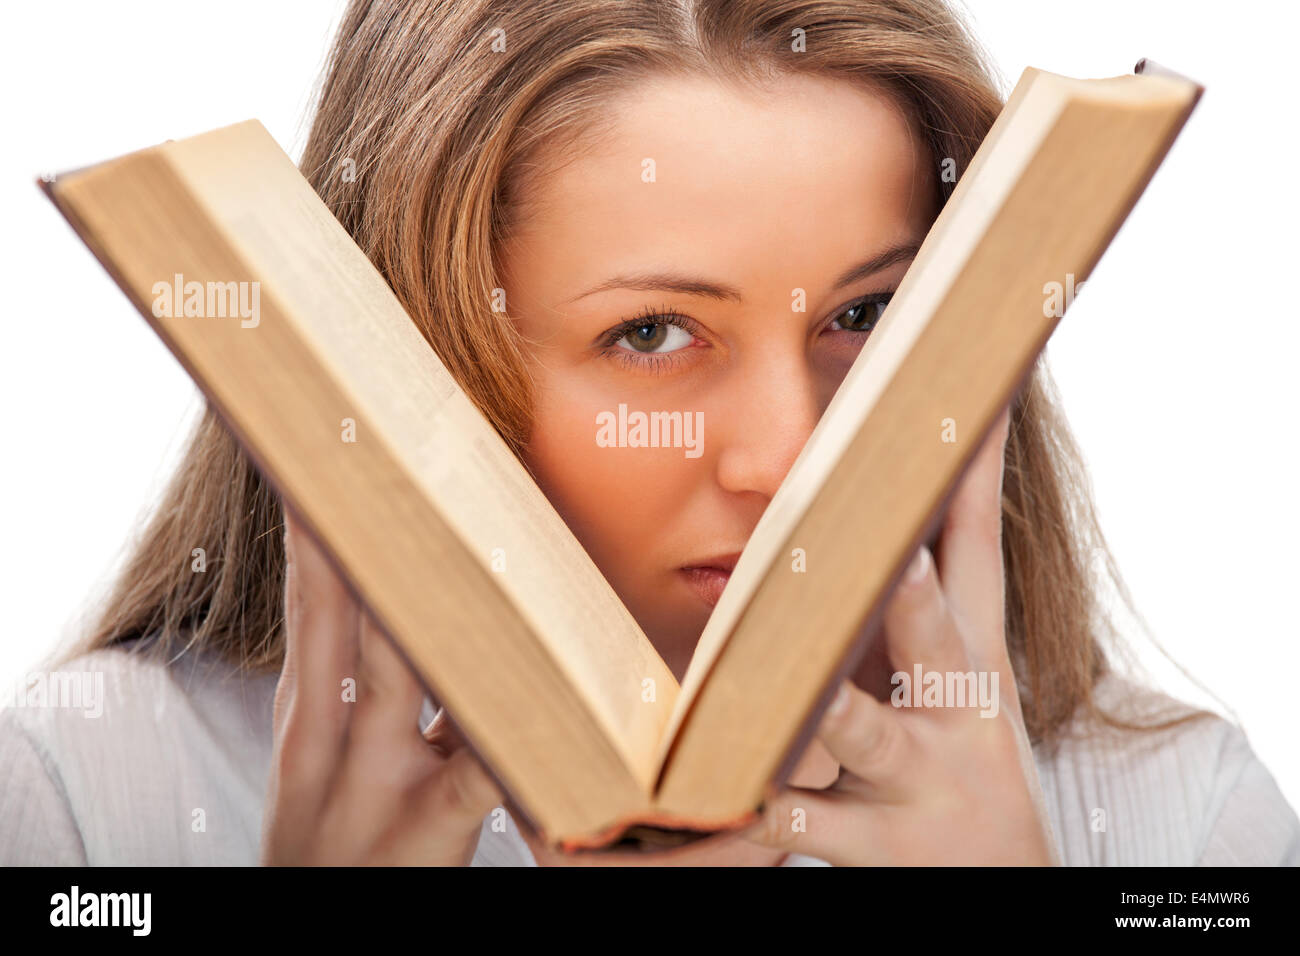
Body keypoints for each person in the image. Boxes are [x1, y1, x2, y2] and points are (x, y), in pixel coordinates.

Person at [3, 0, 1296, 866]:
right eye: (654, 335)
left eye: (867, 314)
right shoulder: (92, 788)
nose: (788, 460)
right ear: (415, 370)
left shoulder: (1180, 817)